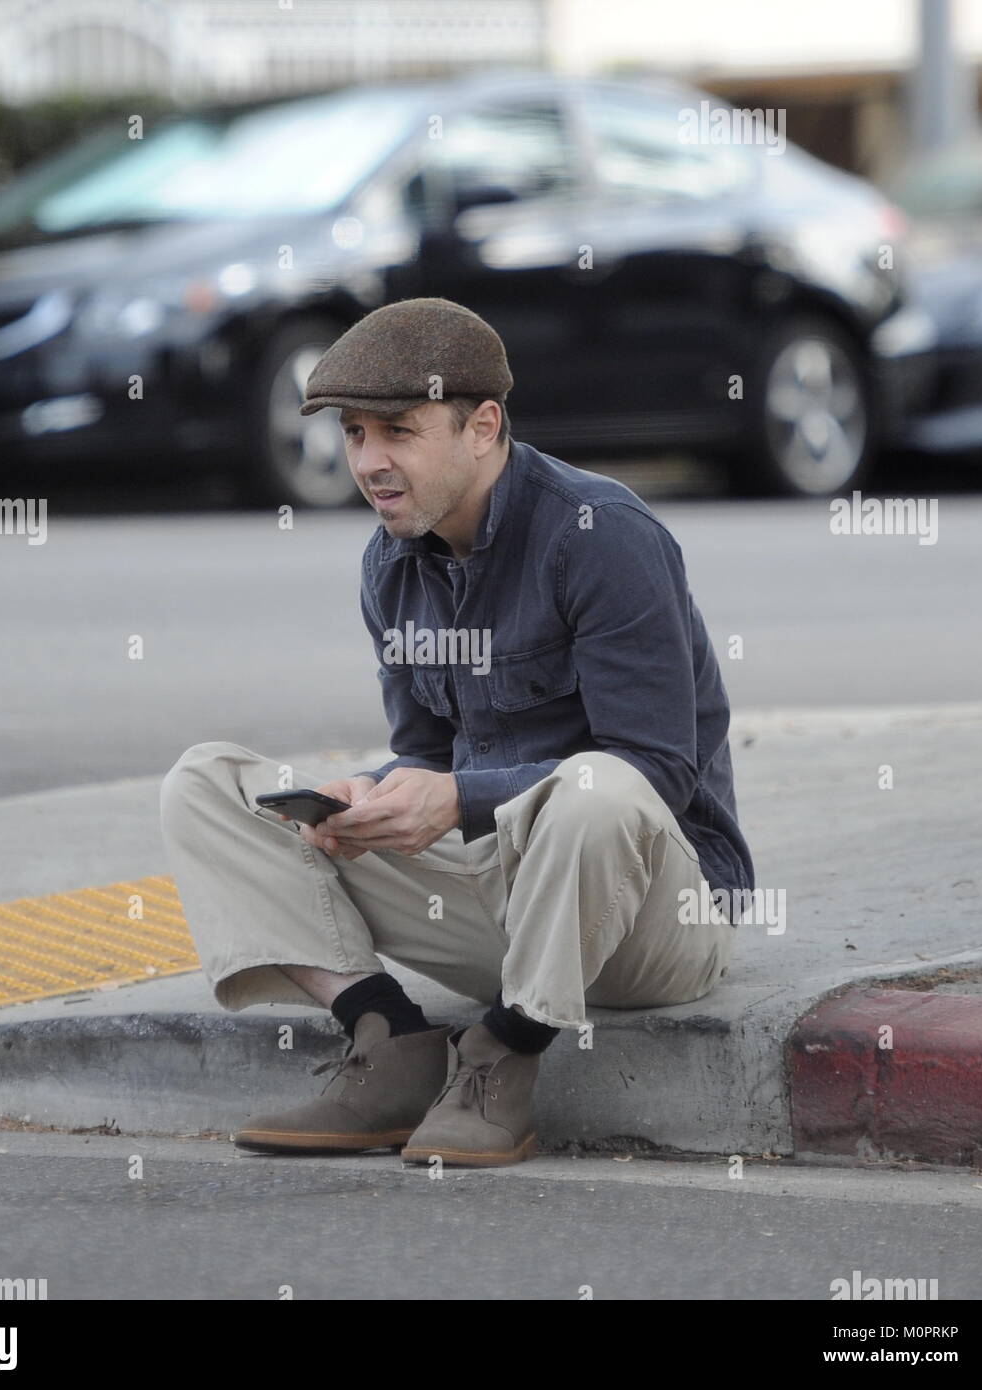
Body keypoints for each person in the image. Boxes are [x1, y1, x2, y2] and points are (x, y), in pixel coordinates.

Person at [159, 296, 754, 1169]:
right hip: (499, 900)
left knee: (600, 788)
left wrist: (458, 798)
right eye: (354, 434)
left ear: (483, 426)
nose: (368, 461)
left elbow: (656, 770)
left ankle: (501, 1056)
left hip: (652, 918)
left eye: (396, 430)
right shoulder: (390, 562)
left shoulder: (604, 537)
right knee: (207, 784)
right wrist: (372, 796)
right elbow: (429, 758)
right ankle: (389, 1041)